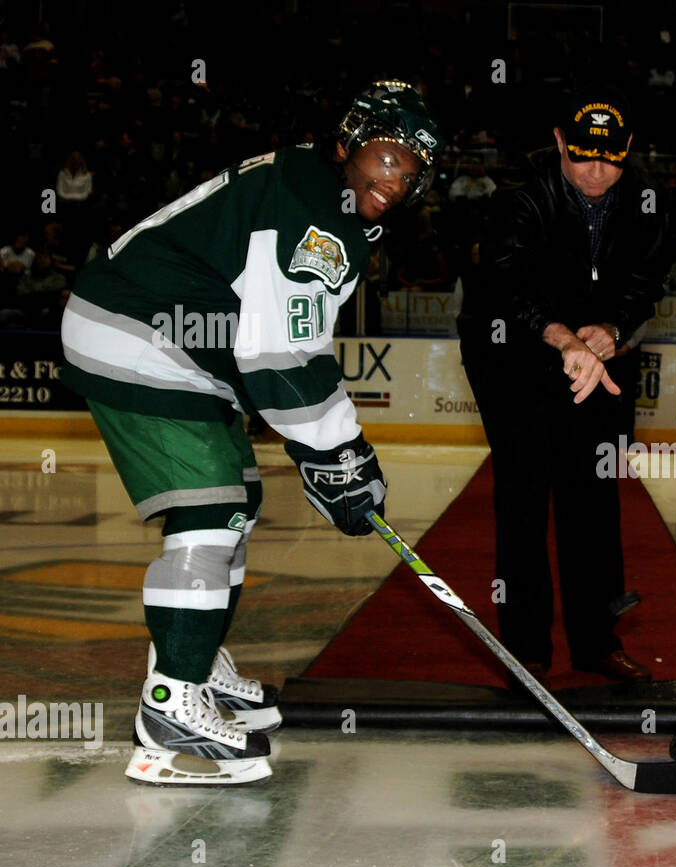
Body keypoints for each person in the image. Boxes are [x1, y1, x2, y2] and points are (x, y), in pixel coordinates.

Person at [60, 81, 443, 786]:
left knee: (238, 497)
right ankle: (170, 706)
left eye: (410, 172)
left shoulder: (318, 193)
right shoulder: (310, 211)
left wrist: (334, 451)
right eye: (386, 159)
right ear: (349, 144)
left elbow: (286, 342)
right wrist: (340, 453)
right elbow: (281, 356)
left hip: (179, 345)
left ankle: (195, 666)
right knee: (209, 511)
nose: (395, 181)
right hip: (136, 335)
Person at [462, 85, 668, 685]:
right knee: (524, 495)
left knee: (595, 497)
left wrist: (611, 329)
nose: (596, 170)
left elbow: (645, 280)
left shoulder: (648, 199)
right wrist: (565, 339)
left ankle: (596, 641)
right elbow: (507, 284)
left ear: (628, 148)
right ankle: (526, 649)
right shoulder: (519, 196)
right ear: (557, 143)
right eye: (580, 155)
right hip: (513, 350)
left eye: (609, 156)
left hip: (600, 356)